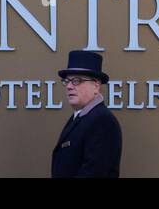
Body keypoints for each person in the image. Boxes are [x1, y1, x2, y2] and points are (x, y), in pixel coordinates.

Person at [51, 50, 122, 178]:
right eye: (67, 81)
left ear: (96, 86)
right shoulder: (80, 117)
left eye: (76, 81)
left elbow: (94, 173)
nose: (69, 86)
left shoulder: (102, 121)